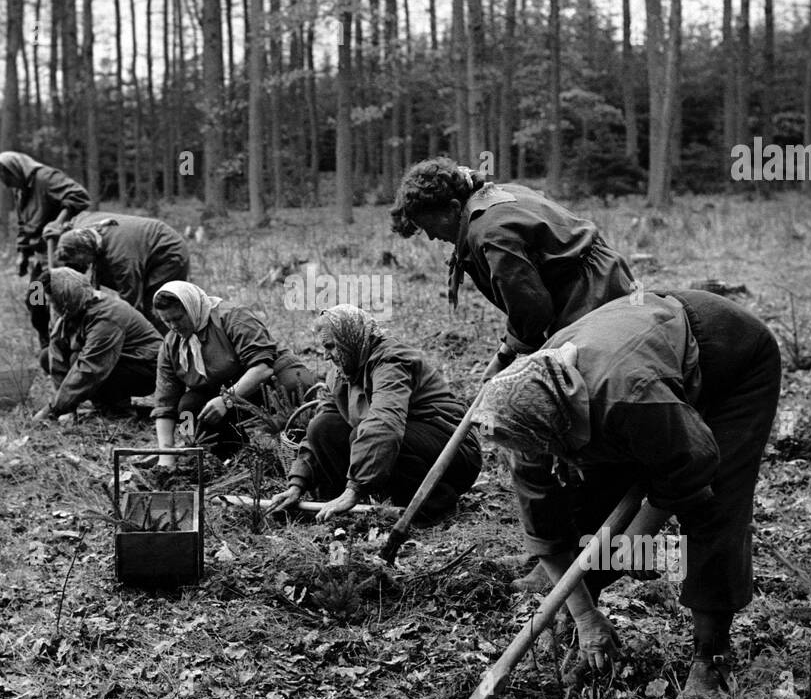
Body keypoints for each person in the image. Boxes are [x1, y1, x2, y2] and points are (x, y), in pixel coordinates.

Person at [473, 288, 781, 699]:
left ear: (558, 427)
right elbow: (545, 531)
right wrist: (584, 614)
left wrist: (640, 534)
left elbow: (694, 463)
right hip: (643, 370)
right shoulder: (523, 420)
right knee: (585, 499)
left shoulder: (627, 395)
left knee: (712, 508)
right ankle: (587, 629)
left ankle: (712, 658)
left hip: (730, 356)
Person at [390, 158, 636, 367]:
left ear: (454, 208)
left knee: (589, 382)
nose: (433, 236)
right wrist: (506, 353)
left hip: (592, 295)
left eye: (432, 226)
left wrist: (508, 358)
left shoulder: (489, 232)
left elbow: (532, 308)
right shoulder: (494, 194)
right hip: (603, 278)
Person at [266, 305, 481, 524]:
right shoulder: (342, 372)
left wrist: (355, 487)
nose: (326, 355)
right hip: (414, 442)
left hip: (454, 452)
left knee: (363, 432)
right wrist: (297, 484)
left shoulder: (391, 361)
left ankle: (434, 503)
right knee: (322, 426)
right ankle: (332, 506)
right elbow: (317, 431)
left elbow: (384, 423)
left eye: (331, 346)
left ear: (349, 338)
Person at [146, 282, 316, 463]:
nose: (174, 326)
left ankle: (301, 450)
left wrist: (227, 399)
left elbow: (262, 368)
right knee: (188, 408)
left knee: (293, 385)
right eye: (167, 321)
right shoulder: (172, 345)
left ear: (192, 307)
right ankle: (235, 457)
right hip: (225, 393)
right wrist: (166, 454)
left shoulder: (232, 318)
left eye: (178, 318)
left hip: (267, 381)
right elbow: (166, 404)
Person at [32, 268, 161, 422]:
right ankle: (104, 407)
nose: (52, 307)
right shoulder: (71, 313)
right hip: (118, 361)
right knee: (46, 356)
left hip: (150, 369)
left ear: (66, 297)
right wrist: (66, 408)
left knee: (79, 361)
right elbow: (57, 357)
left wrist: (52, 410)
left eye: (53, 302)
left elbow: (91, 368)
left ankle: (120, 414)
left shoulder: (107, 315)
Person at [0, 151, 91, 348]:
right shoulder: (20, 190)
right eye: (3, 182)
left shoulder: (46, 178)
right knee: (34, 302)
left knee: (67, 305)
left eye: (7, 179)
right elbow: (23, 224)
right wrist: (23, 253)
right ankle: (49, 346)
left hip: (63, 256)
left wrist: (58, 221)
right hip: (41, 258)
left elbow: (79, 196)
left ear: (16, 170)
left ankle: (76, 348)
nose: (7, 186)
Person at [54, 213, 190, 329]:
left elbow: (131, 300)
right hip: (141, 247)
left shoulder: (121, 259)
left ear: (84, 250)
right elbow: (72, 222)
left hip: (167, 252)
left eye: (79, 260)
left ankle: (161, 347)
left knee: (156, 306)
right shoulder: (82, 228)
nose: (81, 265)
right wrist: (56, 228)